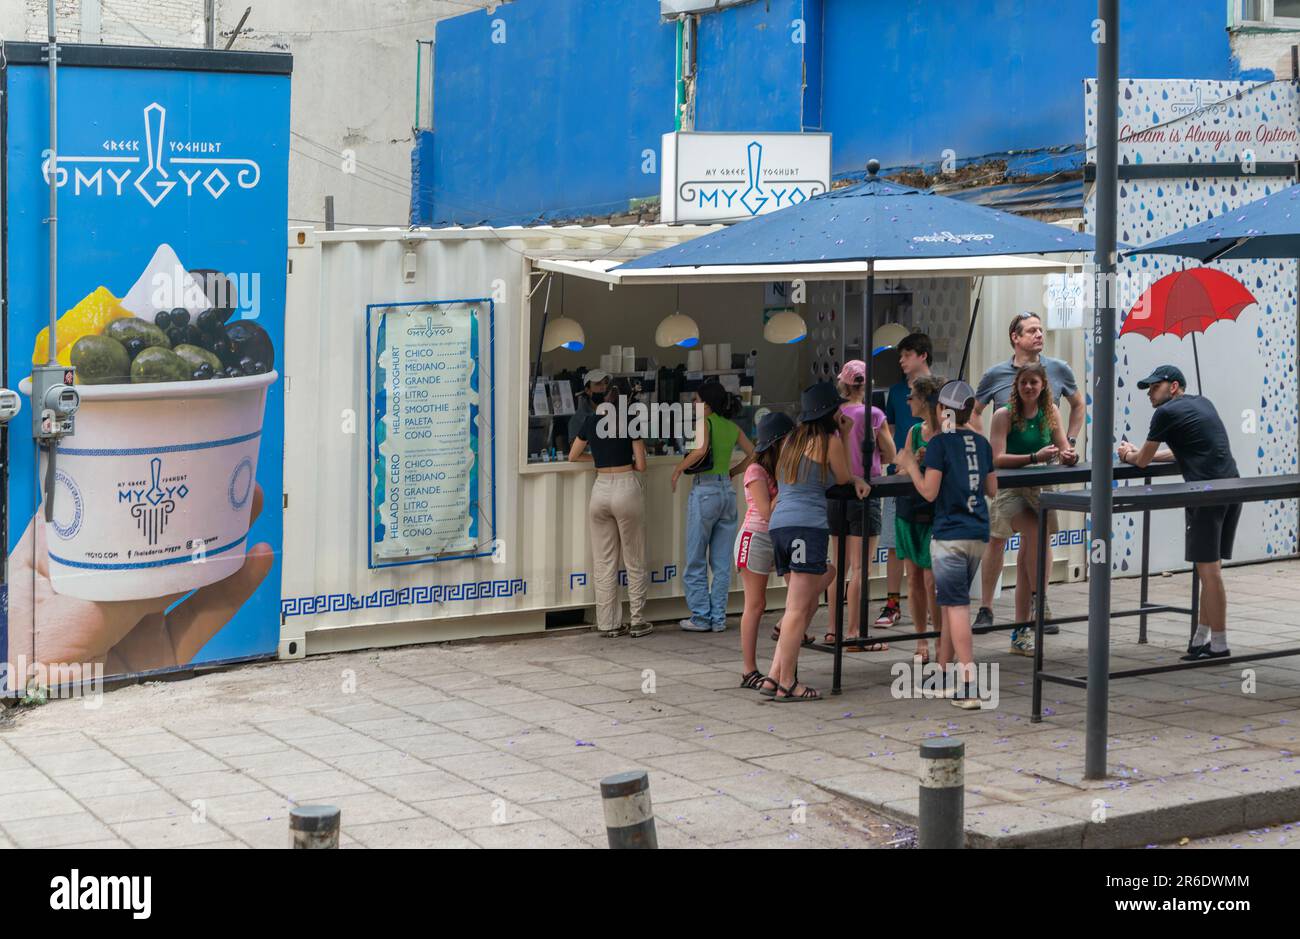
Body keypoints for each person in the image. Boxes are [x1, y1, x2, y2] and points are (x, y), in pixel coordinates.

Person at [1118, 365, 1240, 661]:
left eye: (1154, 387)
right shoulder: (1203, 403)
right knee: (1208, 569)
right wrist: (1144, 454)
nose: (1149, 394)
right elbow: (1186, 450)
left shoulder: (1165, 413)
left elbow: (1142, 461)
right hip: (1233, 488)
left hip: (1205, 495)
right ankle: (1201, 639)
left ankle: (1220, 645)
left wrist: (1127, 454)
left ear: (1173, 386)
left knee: (1209, 573)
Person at [972, 312, 1084, 633]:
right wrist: (987, 452)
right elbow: (975, 413)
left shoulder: (1058, 372)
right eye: (1031, 330)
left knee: (1038, 541)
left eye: (1041, 329)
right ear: (1015, 337)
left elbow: (1077, 406)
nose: (1039, 335)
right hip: (1008, 478)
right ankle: (987, 607)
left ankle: (1036, 606)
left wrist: (1069, 445)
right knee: (999, 539)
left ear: (1043, 384)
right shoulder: (996, 378)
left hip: (1042, 478)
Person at [758, 382, 870, 702]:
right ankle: (789, 682)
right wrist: (846, 435)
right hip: (807, 527)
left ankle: (773, 677)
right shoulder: (828, 440)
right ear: (830, 413)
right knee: (796, 610)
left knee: (802, 601)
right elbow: (845, 476)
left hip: (780, 526)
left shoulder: (791, 440)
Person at [896, 380, 996, 710]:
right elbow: (992, 489)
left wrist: (911, 464)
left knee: (955, 608)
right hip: (978, 531)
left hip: (950, 534)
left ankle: (968, 684)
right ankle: (941, 673)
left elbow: (928, 491)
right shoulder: (981, 443)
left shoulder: (939, 444)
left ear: (942, 410)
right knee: (955, 605)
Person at [988, 363, 1077, 657]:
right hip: (1011, 490)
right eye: (1024, 382)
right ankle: (1040, 598)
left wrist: (1068, 455)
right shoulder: (1004, 415)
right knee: (1034, 532)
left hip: (1041, 487)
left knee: (1031, 551)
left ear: (1043, 386)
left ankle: (1020, 630)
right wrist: (1033, 456)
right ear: (1017, 385)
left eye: (1034, 383)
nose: (1028, 387)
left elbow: (1063, 447)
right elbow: (997, 458)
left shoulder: (1050, 412)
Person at [673, 380, 755, 632]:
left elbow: (700, 451)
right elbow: (754, 452)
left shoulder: (704, 423)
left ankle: (700, 617)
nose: (694, 404)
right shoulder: (731, 426)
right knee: (721, 563)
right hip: (727, 493)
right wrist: (734, 471)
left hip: (705, 491)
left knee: (696, 558)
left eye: (696, 400)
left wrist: (678, 469)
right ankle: (718, 618)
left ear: (707, 404)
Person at [569, 389, 651, 639]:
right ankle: (637, 621)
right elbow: (641, 464)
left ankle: (608, 624)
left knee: (604, 562)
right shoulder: (630, 421)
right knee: (634, 557)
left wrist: (597, 459)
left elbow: (573, 456)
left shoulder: (590, 421)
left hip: (600, 488)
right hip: (626, 486)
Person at [826, 361, 896, 650]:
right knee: (860, 569)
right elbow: (890, 453)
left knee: (838, 567)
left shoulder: (833, 415)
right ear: (866, 385)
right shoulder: (874, 414)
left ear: (842, 384)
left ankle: (832, 631)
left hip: (835, 493)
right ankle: (854, 632)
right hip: (865, 493)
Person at [736, 411, 796, 689]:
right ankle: (749, 670)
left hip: (779, 538)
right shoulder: (755, 470)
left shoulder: (780, 468)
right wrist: (785, 486)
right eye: (788, 440)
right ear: (777, 442)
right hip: (756, 537)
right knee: (755, 605)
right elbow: (765, 512)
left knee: (813, 582)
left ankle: (784, 624)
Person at [879, 332, 934, 628]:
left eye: (907, 354)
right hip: (900, 475)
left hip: (933, 476)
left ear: (922, 355)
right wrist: (896, 460)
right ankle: (892, 603)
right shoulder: (896, 392)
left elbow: (949, 428)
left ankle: (928, 603)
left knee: (926, 542)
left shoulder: (940, 390)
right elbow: (888, 430)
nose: (901, 360)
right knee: (893, 540)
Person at [895, 374, 945, 664]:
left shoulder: (948, 431)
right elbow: (901, 467)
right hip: (908, 509)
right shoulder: (914, 431)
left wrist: (926, 460)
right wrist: (913, 462)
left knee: (930, 580)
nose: (908, 401)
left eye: (911, 396)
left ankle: (940, 638)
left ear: (926, 399)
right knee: (912, 577)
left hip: (933, 509)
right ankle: (920, 638)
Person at [567, 368, 611, 443]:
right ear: (588, 390)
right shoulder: (579, 419)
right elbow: (576, 453)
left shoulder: (616, 413)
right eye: (598, 383)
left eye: (606, 383)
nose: (603, 387)